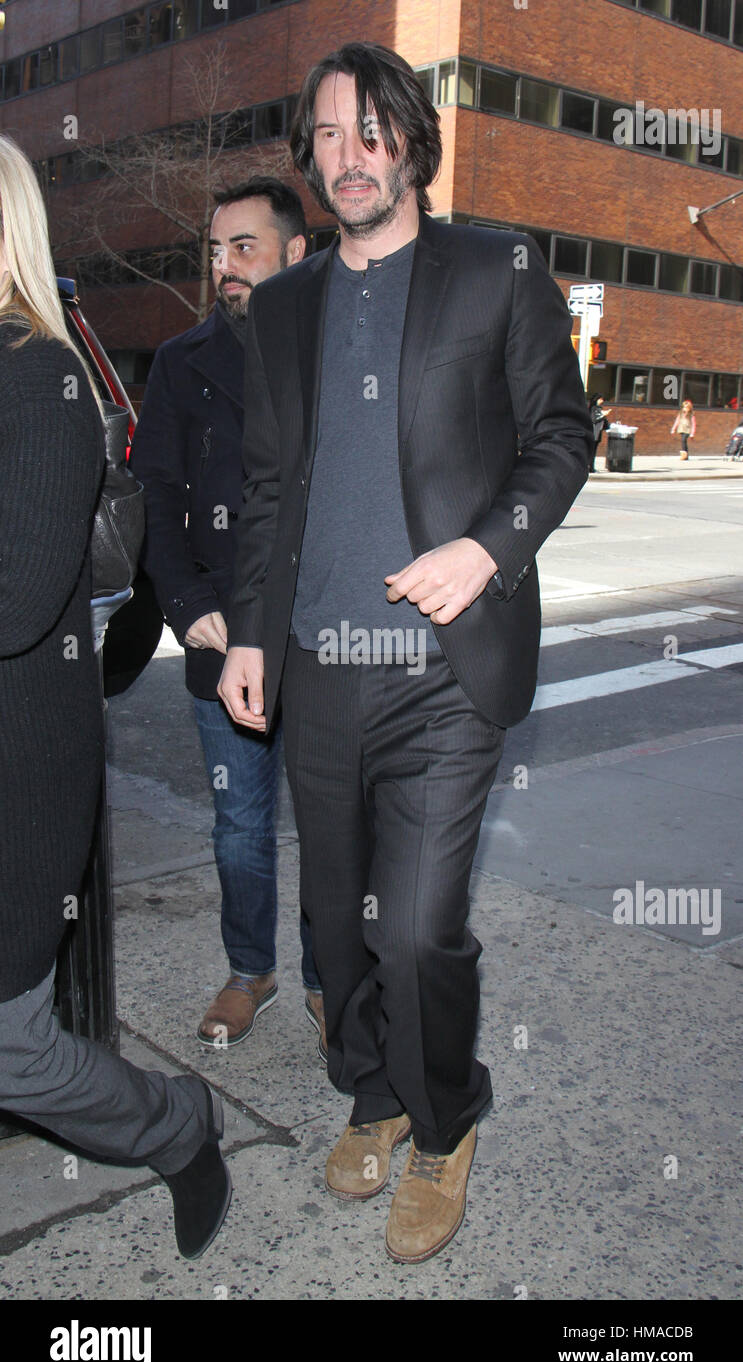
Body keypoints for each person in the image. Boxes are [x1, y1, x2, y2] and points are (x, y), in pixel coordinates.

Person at [219, 42, 593, 1263]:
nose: (347, 155)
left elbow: (560, 438)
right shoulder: (282, 305)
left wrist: (486, 550)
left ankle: (442, 1123)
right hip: (319, 668)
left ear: (410, 139)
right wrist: (252, 637)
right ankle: (370, 1091)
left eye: (368, 129)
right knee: (336, 925)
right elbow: (269, 488)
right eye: (325, 137)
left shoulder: (495, 271)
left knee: (419, 926)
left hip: (442, 671)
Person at [0, 133, 230, 1260]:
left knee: (10, 1041)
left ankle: (174, 1121)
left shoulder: (35, 374)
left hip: (17, 776)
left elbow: (17, 599)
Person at [130, 179, 326, 1056]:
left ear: (294, 253)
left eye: (242, 246)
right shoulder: (181, 361)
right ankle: (253, 970)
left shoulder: (333, 350)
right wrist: (188, 607)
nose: (222, 266)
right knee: (239, 823)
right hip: (222, 635)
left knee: (332, 826)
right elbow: (155, 496)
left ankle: (330, 979)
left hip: (326, 636)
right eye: (214, 250)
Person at [588, 392, 611, 470]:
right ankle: (590, 467)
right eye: (600, 399)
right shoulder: (594, 408)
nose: (602, 401)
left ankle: (591, 466)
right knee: (592, 451)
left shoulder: (598, 408)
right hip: (594, 433)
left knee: (594, 451)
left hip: (598, 433)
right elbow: (594, 419)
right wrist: (604, 415)